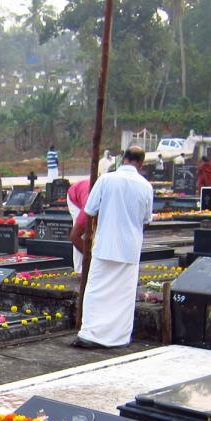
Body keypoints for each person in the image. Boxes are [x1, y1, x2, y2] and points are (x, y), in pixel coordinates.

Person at [69, 146, 152, 349]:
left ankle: (90, 334)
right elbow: (146, 220)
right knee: (123, 295)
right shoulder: (146, 186)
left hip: (106, 243)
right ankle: (118, 337)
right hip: (129, 247)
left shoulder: (106, 180)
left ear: (122, 160)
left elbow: (89, 210)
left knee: (96, 290)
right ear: (140, 164)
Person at [65, 177, 91, 274]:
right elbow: (75, 236)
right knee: (83, 233)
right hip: (75, 195)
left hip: (85, 192)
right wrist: (92, 257)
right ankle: (80, 270)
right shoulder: (88, 209)